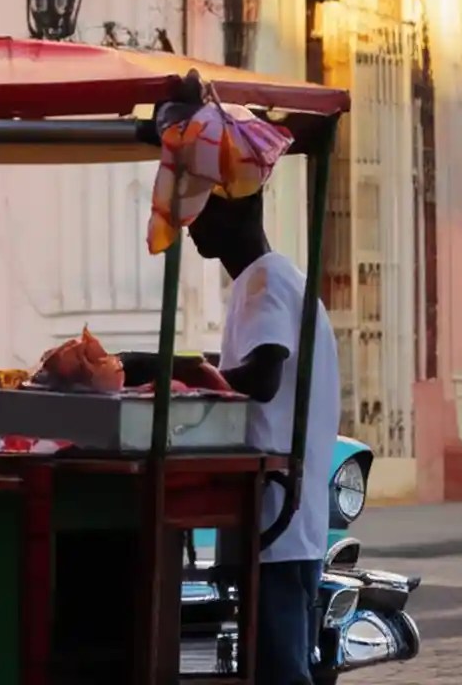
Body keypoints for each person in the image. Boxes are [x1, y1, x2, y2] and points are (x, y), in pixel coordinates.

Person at [186, 190, 339, 685]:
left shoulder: (266, 283)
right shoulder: (274, 280)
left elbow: (261, 378)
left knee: (281, 671)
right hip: (286, 522)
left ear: (241, 208)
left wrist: (187, 371)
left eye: (203, 207)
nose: (190, 223)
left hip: (279, 522)